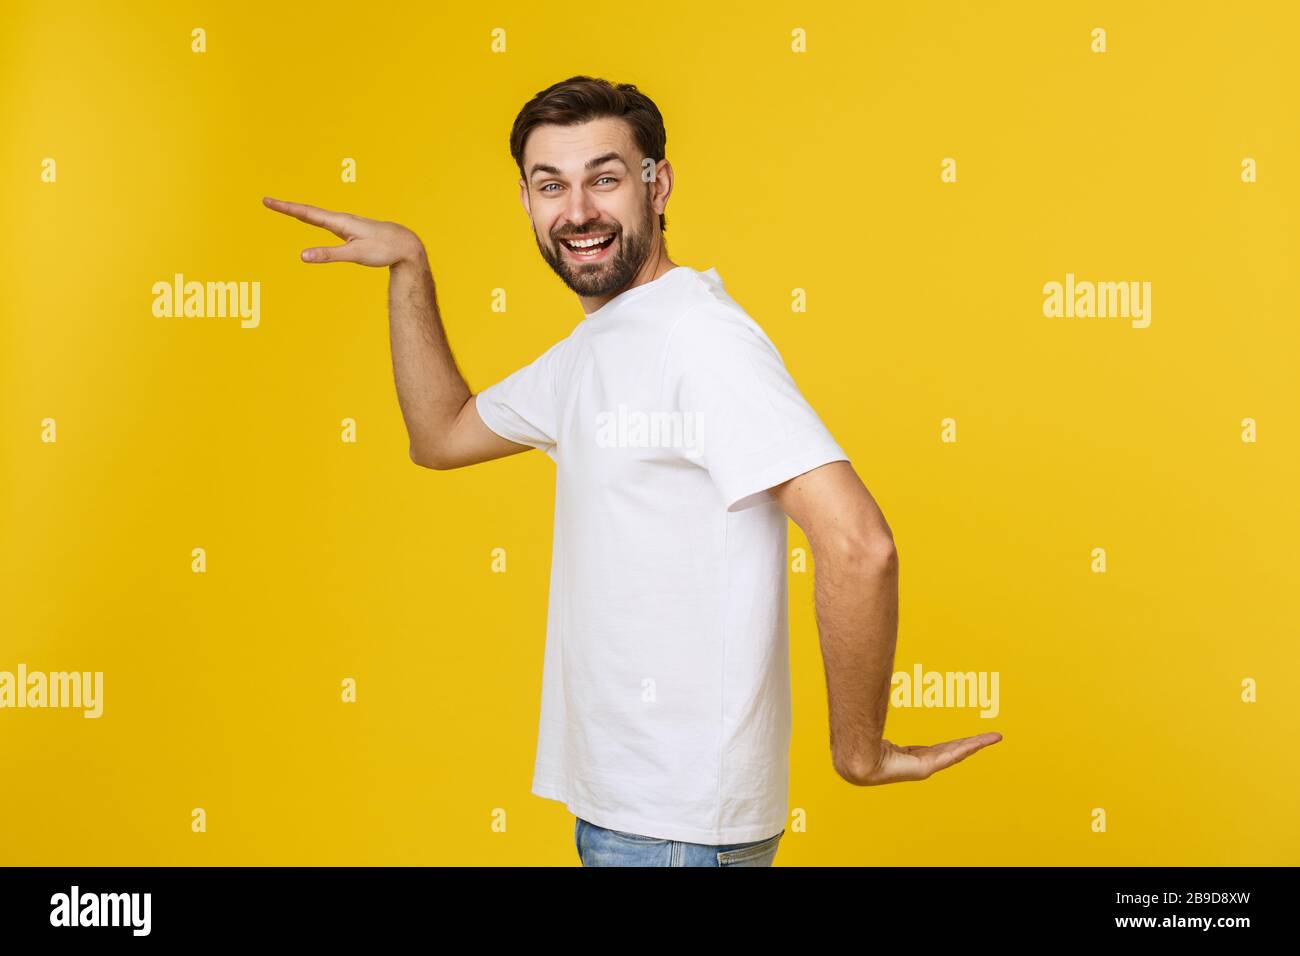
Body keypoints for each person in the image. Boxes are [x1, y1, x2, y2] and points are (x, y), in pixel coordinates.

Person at [263, 75, 1002, 867]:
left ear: (659, 184)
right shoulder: (600, 347)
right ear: (526, 200)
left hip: (675, 826)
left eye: (605, 178)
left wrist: (860, 750)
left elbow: (859, 542)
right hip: (628, 815)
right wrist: (410, 266)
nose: (577, 211)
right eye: (552, 185)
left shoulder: (698, 339)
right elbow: (440, 434)